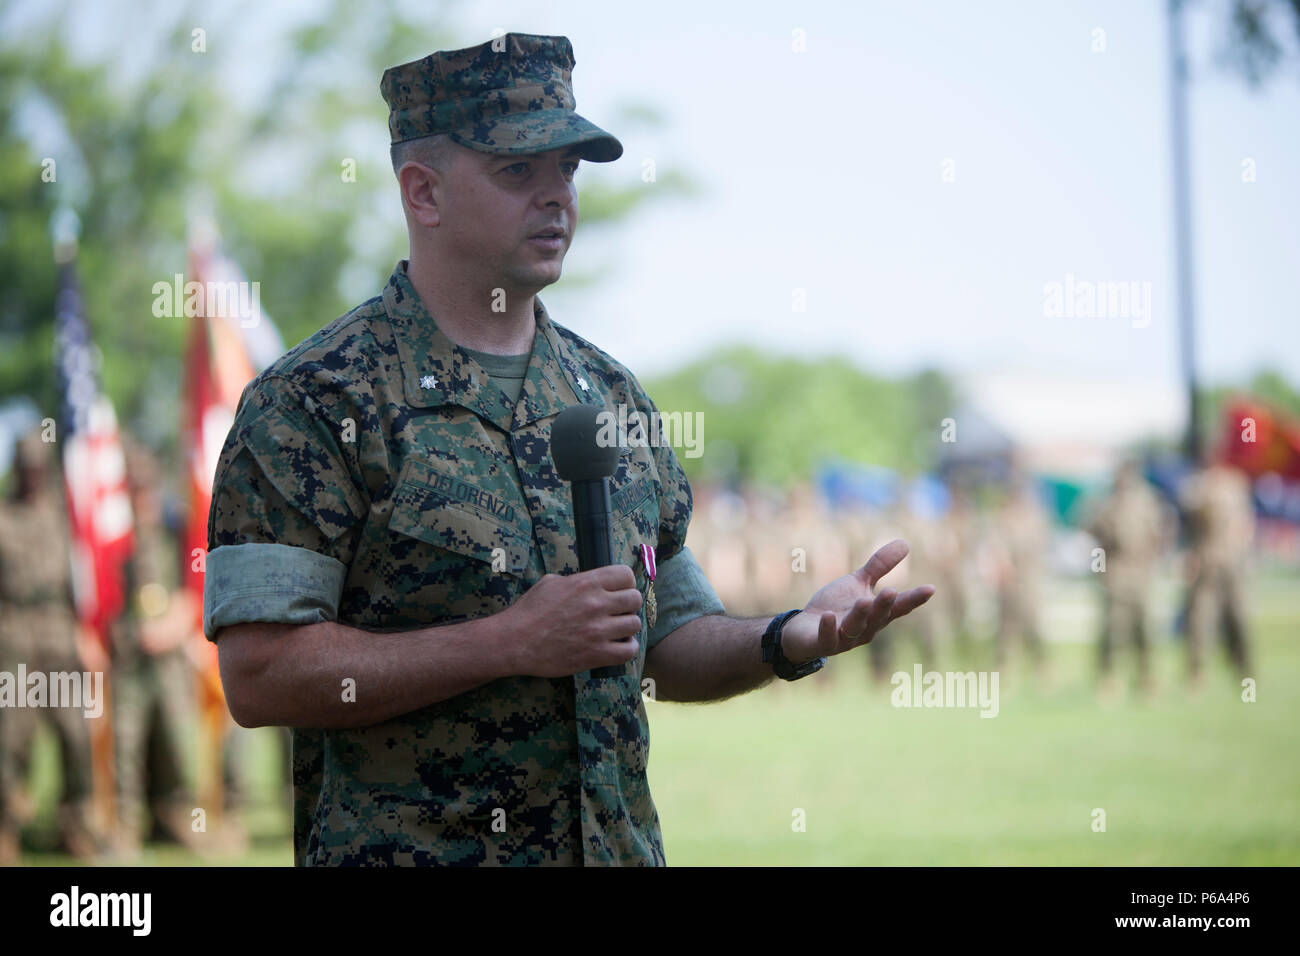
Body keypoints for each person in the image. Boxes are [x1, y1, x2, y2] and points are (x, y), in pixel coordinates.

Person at [204, 33, 933, 867]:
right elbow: (260, 675)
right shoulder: (316, 401)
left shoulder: (609, 398)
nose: (557, 196)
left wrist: (789, 636)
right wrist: (508, 641)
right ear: (424, 191)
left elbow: (667, 636)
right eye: (519, 170)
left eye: (569, 170)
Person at [0, 429, 103, 862]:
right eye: (25, 467)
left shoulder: (67, 517)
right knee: (11, 739)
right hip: (14, 635)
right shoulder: (3, 517)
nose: (32, 475)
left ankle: (74, 822)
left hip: (60, 633)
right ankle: (6, 825)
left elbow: (87, 581)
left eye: (38, 467)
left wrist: (90, 633)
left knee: (75, 735)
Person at [110, 439, 201, 855]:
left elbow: (194, 577)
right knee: (124, 743)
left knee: (178, 737)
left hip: (169, 650)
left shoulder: (174, 525)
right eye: (135, 485)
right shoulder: (111, 531)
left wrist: (180, 620)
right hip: (128, 652)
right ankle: (125, 824)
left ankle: (178, 817)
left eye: (147, 485)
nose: (141, 493)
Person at [1084, 460, 1169, 694]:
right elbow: (1095, 542)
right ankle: (1108, 678)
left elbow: (1159, 536)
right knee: (1113, 630)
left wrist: (1154, 563)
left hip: (1140, 573)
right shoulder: (1105, 506)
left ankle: (1146, 678)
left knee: (1144, 629)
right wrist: (1100, 571)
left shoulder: (1147, 504)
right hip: (1115, 573)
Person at [1179, 455, 1254, 683]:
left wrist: (1246, 553)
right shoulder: (1196, 487)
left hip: (1233, 562)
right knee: (1199, 619)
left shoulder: (1237, 485)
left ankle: (1243, 671)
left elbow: (1246, 524)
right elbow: (1188, 524)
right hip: (1205, 560)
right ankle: (1196, 673)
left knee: (1238, 617)